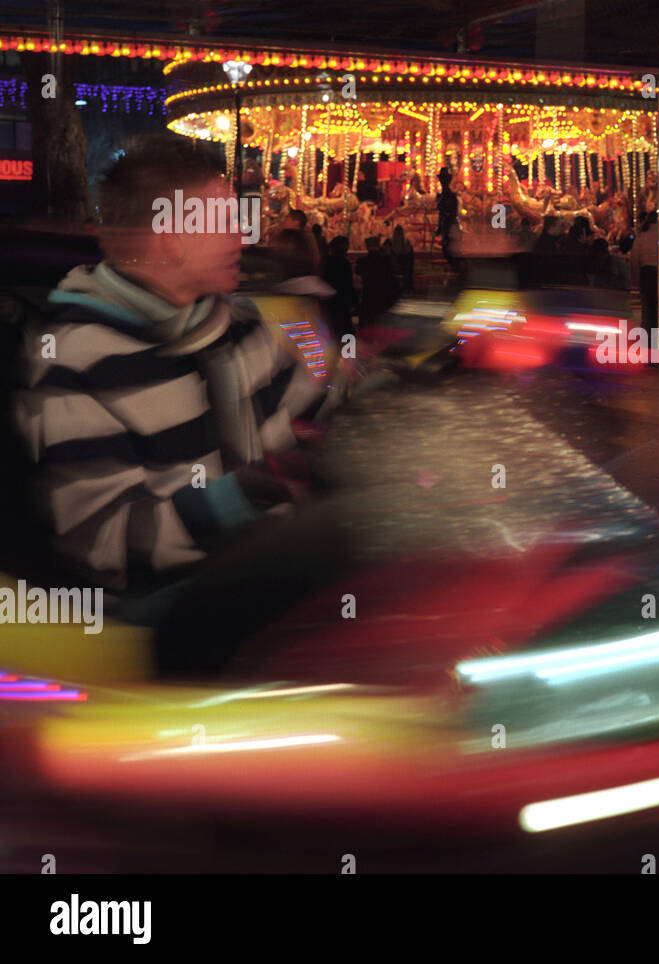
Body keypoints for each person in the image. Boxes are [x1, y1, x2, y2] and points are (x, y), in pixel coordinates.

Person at [11, 135, 346, 675]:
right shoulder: (77, 358)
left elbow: (324, 405)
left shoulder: (238, 324)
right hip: (160, 615)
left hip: (272, 572)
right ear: (169, 237)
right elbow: (106, 543)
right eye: (223, 220)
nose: (242, 233)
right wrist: (241, 497)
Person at [356, 235, 399, 326]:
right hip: (382, 295)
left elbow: (358, 277)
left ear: (367, 247)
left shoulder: (361, 262)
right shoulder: (385, 261)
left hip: (368, 295)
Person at [320, 235, 357, 341]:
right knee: (346, 330)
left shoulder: (325, 261)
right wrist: (353, 302)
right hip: (341, 301)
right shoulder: (344, 263)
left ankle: (331, 354)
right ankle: (348, 354)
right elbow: (348, 284)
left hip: (328, 301)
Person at [435, 167, 460, 264]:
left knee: (450, 244)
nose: (442, 182)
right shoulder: (443, 195)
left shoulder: (450, 195)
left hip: (450, 223)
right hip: (446, 223)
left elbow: (451, 211)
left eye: (444, 179)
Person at [390, 224, 415, 293]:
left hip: (393, 274)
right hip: (406, 273)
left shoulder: (390, 245)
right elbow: (411, 262)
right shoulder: (408, 245)